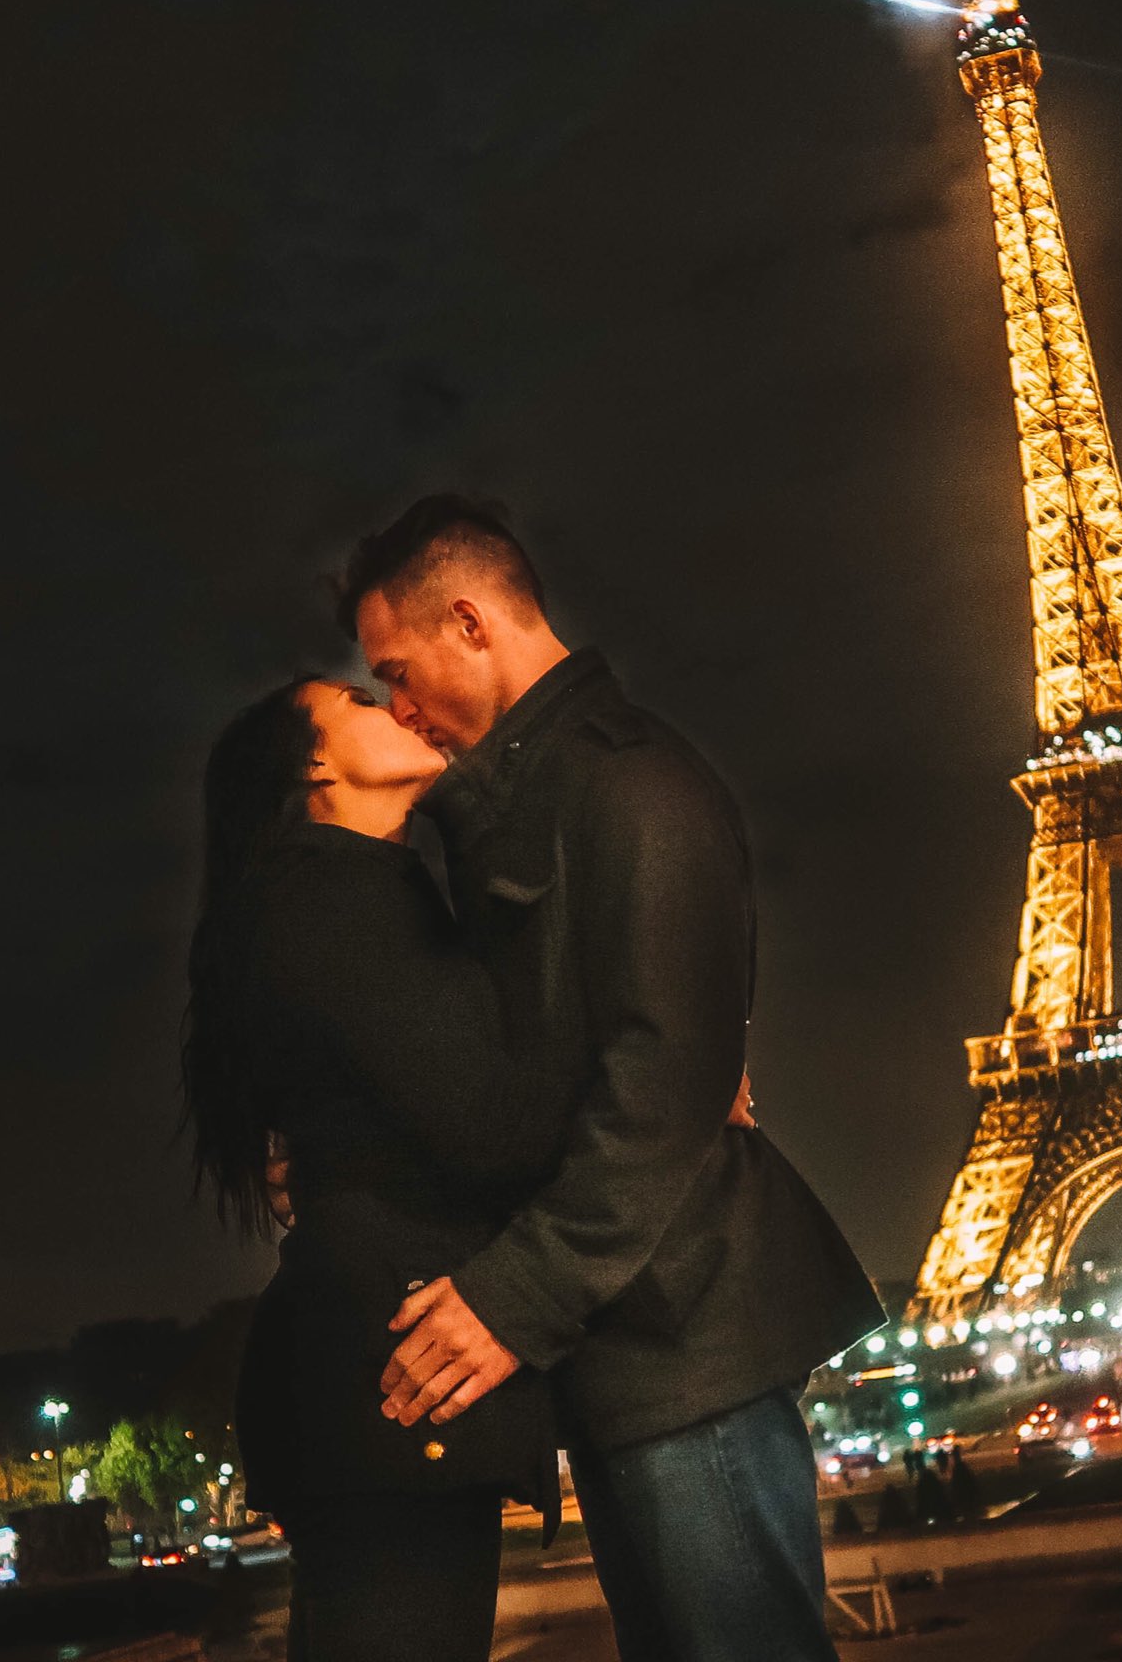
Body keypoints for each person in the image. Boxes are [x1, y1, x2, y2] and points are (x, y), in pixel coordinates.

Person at [338, 495, 885, 1661]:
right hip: (638, 1339)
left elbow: (664, 1081)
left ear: (471, 621)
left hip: (680, 1339)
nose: (399, 706)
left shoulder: (630, 782)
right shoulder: (551, 796)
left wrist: (512, 1297)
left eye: (397, 671)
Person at [183, 676, 570, 1662]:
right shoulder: (336, 901)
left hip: (372, 1383)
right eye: (360, 699)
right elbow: (492, 1122)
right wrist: (664, 1067)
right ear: (315, 762)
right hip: (397, 1378)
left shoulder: (332, 896)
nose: (397, 706)